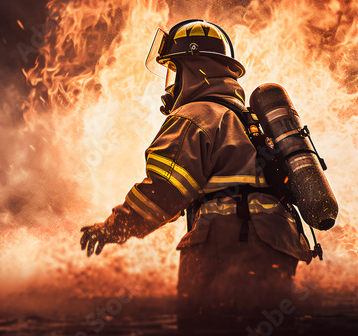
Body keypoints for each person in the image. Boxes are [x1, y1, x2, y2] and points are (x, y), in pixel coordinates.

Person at [79, 19, 312, 330]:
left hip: (229, 243)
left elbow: (165, 192)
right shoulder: (247, 120)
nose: (171, 84)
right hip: (277, 244)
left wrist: (112, 228)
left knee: (205, 326)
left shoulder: (196, 115)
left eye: (174, 72)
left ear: (191, 67)